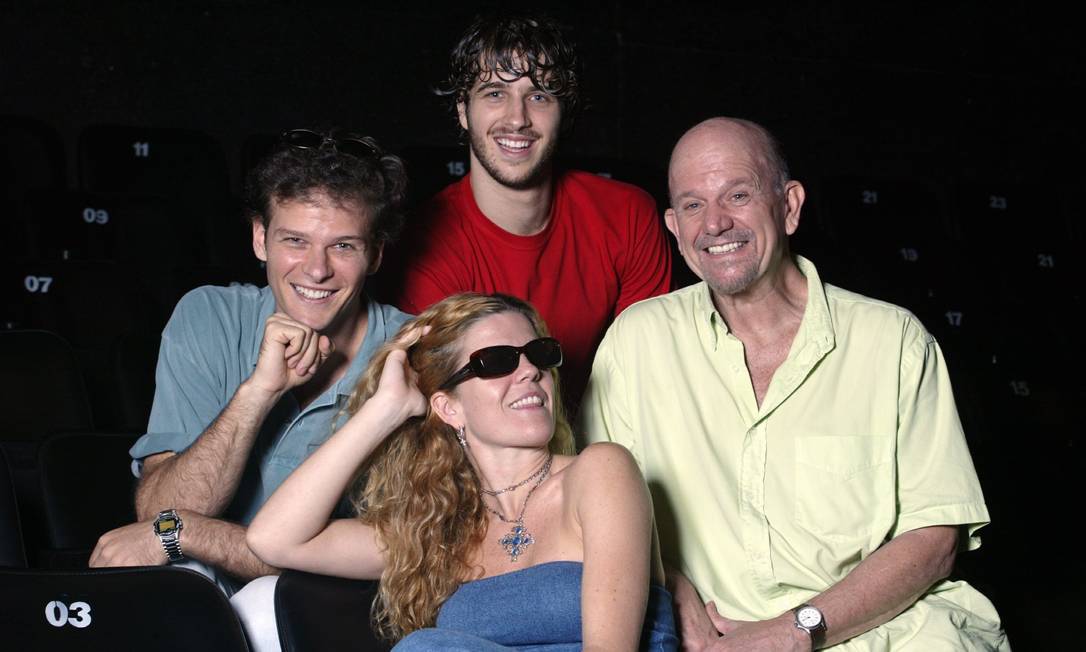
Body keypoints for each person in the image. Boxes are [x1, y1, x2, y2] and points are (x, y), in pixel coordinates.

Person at [581, 117, 1009, 650]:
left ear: (789, 206)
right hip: (709, 636)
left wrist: (796, 629)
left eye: (738, 195)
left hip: (882, 630)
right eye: (692, 205)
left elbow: (935, 536)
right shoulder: (636, 341)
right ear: (673, 226)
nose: (714, 223)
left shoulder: (893, 340)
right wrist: (674, 588)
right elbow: (593, 510)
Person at [245, 293, 678, 651]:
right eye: (497, 361)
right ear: (448, 407)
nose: (530, 371)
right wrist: (385, 409)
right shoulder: (440, 530)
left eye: (539, 355)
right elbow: (275, 538)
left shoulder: (600, 472)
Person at [89, 129, 412, 601]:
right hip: (208, 595)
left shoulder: (413, 351)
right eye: (295, 240)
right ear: (260, 239)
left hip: (340, 607)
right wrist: (258, 392)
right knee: (177, 579)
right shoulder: (210, 317)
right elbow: (162, 511)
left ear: (376, 254)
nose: (316, 269)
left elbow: (402, 556)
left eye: (343, 246)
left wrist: (193, 533)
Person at [380, 12, 672, 412]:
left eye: (539, 96)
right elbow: (451, 409)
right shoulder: (422, 246)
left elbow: (646, 377)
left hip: (606, 435)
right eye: (494, 93)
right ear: (463, 110)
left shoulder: (627, 215)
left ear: (563, 112)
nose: (517, 119)